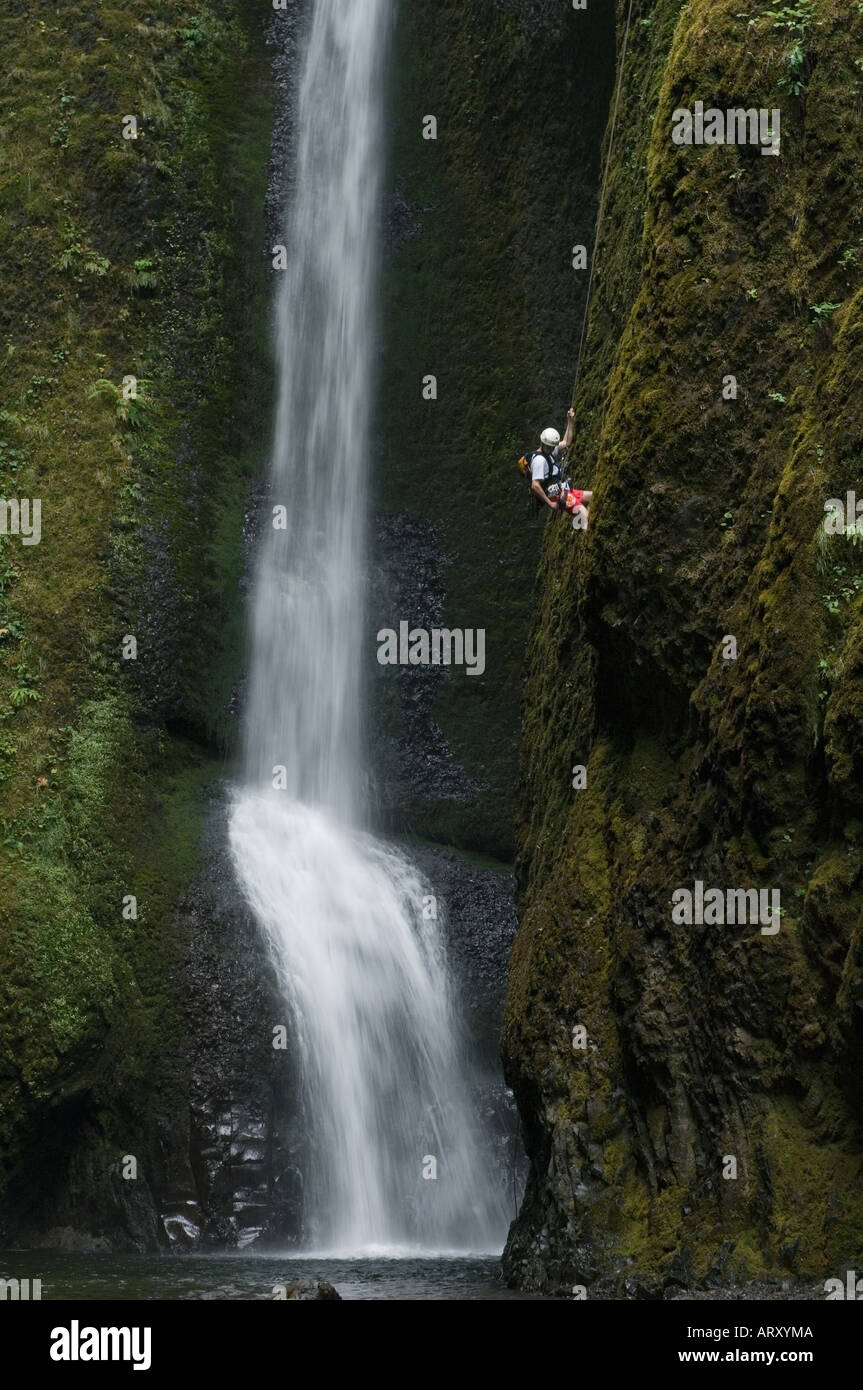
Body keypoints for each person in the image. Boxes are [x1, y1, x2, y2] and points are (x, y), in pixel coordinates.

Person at [529, 408, 592, 530]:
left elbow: (566, 442)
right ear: (543, 444)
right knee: (584, 514)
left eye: (553, 446)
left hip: (566, 491)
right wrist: (550, 503)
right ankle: (588, 536)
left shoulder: (550, 451)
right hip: (559, 497)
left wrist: (570, 421)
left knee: (593, 497)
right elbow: (535, 485)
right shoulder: (539, 460)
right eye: (550, 447)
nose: (552, 449)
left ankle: (583, 528)